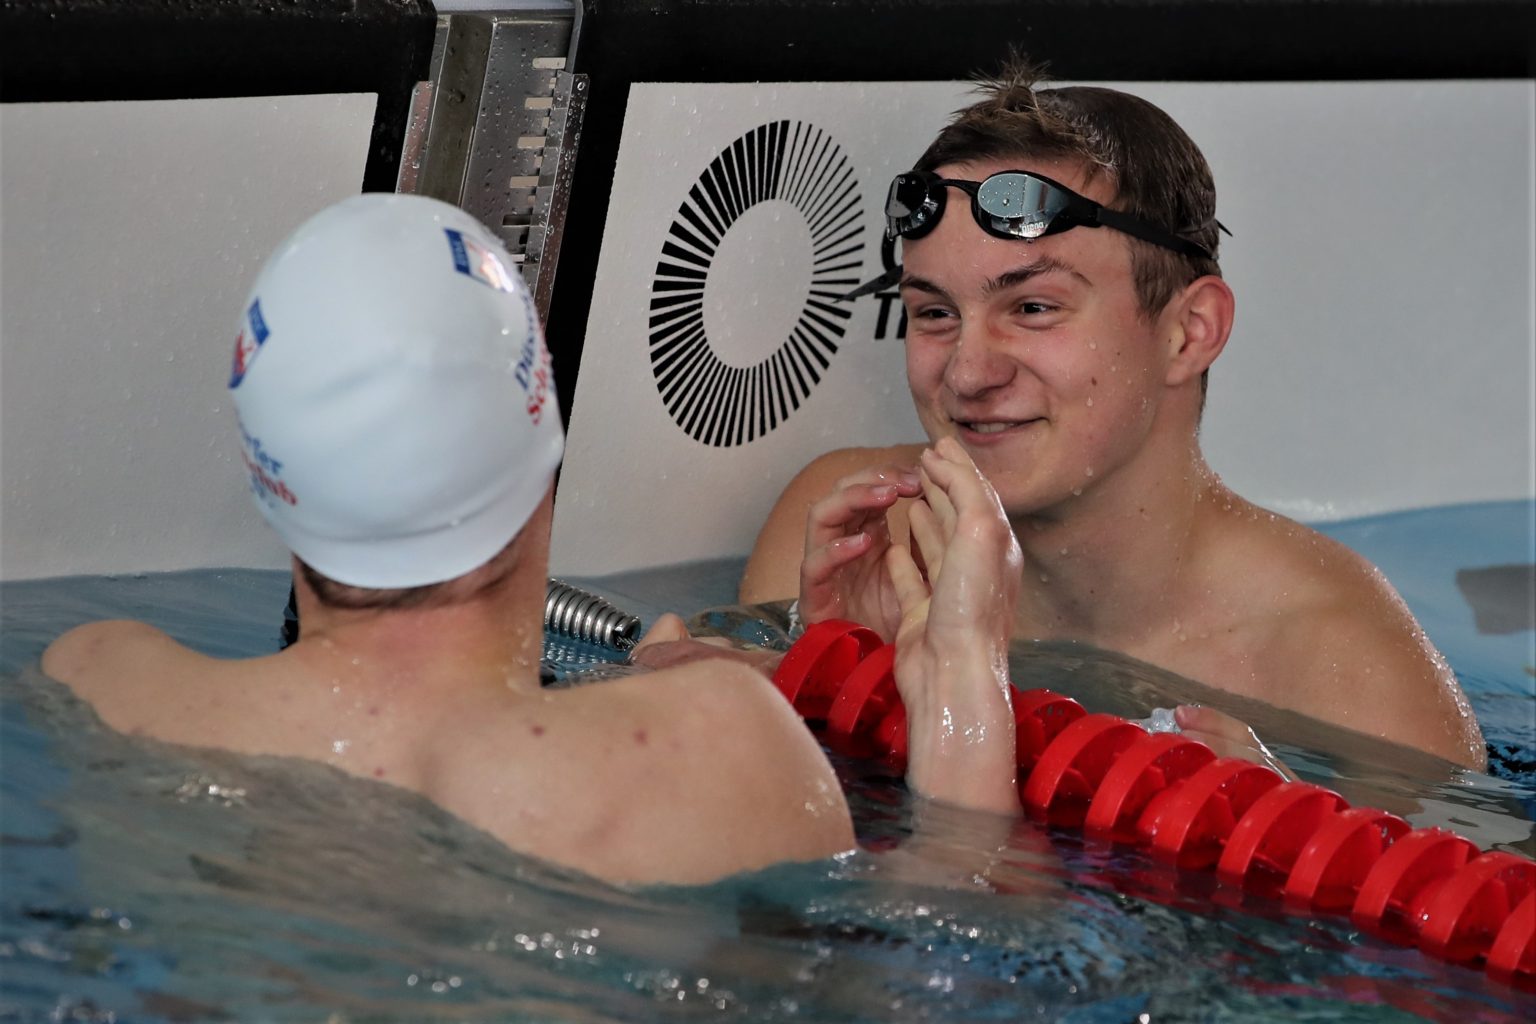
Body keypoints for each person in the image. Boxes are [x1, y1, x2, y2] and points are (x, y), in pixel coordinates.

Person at [41, 194, 1020, 887]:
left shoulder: (101, 683)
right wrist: (962, 688)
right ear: (540, 429)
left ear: (267, 467)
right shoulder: (721, 744)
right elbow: (929, 973)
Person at [740, 65, 1486, 771]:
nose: (968, 374)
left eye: (1032, 308)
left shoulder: (1342, 671)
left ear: (1188, 333)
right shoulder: (856, 537)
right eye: (935, 313)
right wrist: (826, 668)